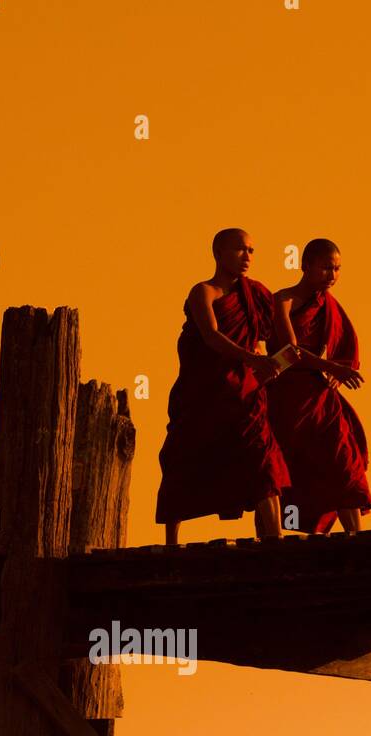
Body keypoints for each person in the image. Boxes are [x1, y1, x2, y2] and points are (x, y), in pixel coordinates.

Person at [155, 228, 291, 546]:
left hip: (245, 392)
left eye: (251, 250)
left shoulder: (256, 294)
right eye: (240, 249)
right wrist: (252, 359)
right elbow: (210, 336)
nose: (247, 257)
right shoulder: (203, 291)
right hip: (203, 391)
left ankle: (275, 538)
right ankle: (171, 542)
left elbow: (259, 343)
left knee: (262, 456)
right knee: (182, 455)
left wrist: (271, 366)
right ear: (218, 253)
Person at [267, 239, 371, 534]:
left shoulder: (329, 306)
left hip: (322, 398)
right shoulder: (282, 301)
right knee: (284, 470)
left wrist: (336, 373)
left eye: (337, 269)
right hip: (288, 398)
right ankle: (272, 538)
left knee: (344, 463)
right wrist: (331, 367)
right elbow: (289, 353)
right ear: (305, 266)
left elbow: (345, 349)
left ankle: (357, 537)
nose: (332, 275)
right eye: (326, 268)